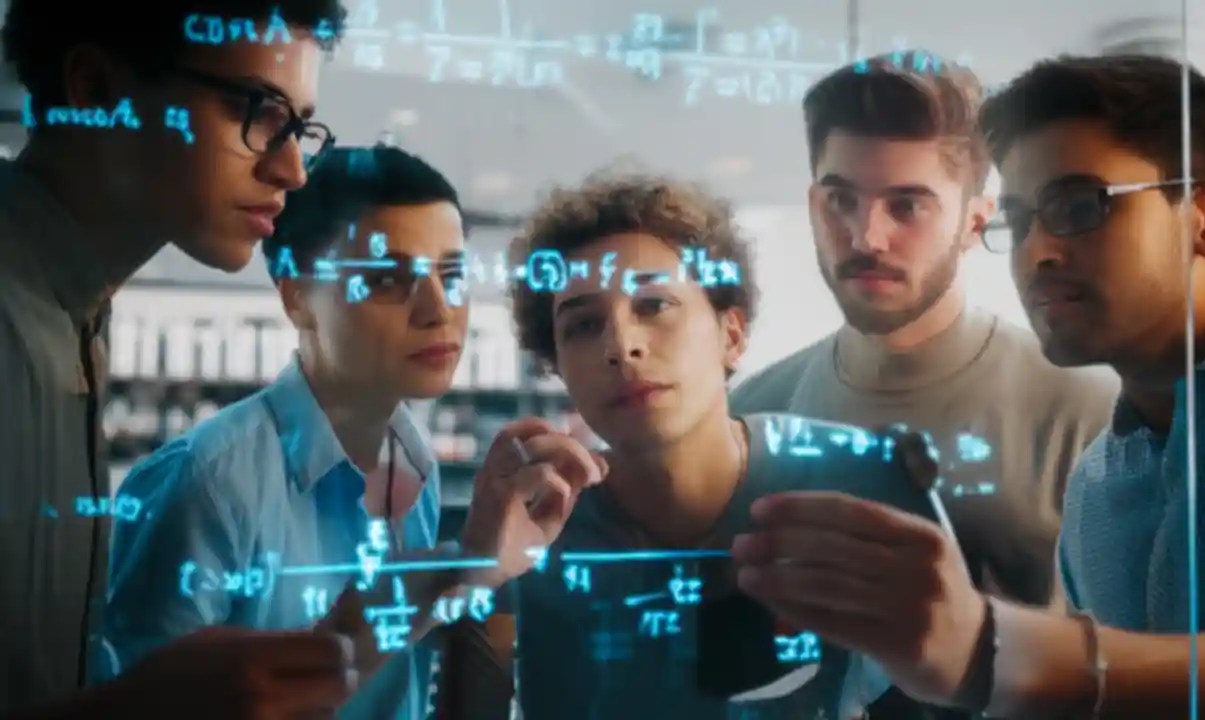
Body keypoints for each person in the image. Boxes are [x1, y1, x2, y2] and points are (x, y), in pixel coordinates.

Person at [732, 55, 1205, 718]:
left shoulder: (1075, 430)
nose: (1037, 252)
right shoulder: (1099, 481)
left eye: (1080, 207)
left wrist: (990, 650)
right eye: (1021, 221)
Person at [728, 51, 1120, 718]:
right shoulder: (752, 411)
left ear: (974, 222)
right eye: (839, 199)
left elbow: (1150, 666)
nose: (865, 236)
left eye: (906, 204)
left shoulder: (1088, 411)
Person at [485, 171, 952, 720]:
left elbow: (950, 688)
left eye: (654, 305)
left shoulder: (860, 480)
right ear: (556, 367)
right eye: (584, 326)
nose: (622, 346)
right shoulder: (540, 529)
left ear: (731, 335)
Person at [0, 1, 357, 715]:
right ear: (97, 91)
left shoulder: (74, 320)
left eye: (301, 129)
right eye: (257, 111)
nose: (294, 170)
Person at [101, 144, 470, 718]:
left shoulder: (414, 458)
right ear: (297, 296)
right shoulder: (206, 483)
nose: (439, 309)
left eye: (453, 275)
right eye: (388, 280)